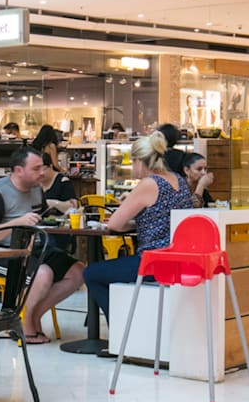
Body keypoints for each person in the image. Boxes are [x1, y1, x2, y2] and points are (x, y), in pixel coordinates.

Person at [82, 131, 194, 321]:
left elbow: (116, 224)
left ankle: (121, 329)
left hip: (154, 262)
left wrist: (127, 208)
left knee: (91, 273)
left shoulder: (149, 184)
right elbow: (162, 218)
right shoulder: (179, 180)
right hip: (179, 259)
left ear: (139, 161)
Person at [0, 147, 85, 343]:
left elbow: (43, 219)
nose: (42, 173)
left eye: (42, 168)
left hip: (36, 247)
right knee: (43, 273)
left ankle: (34, 315)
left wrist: (65, 217)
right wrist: (17, 223)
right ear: (19, 170)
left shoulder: (37, 189)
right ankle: (25, 324)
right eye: (36, 169)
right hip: (3, 252)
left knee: (78, 272)